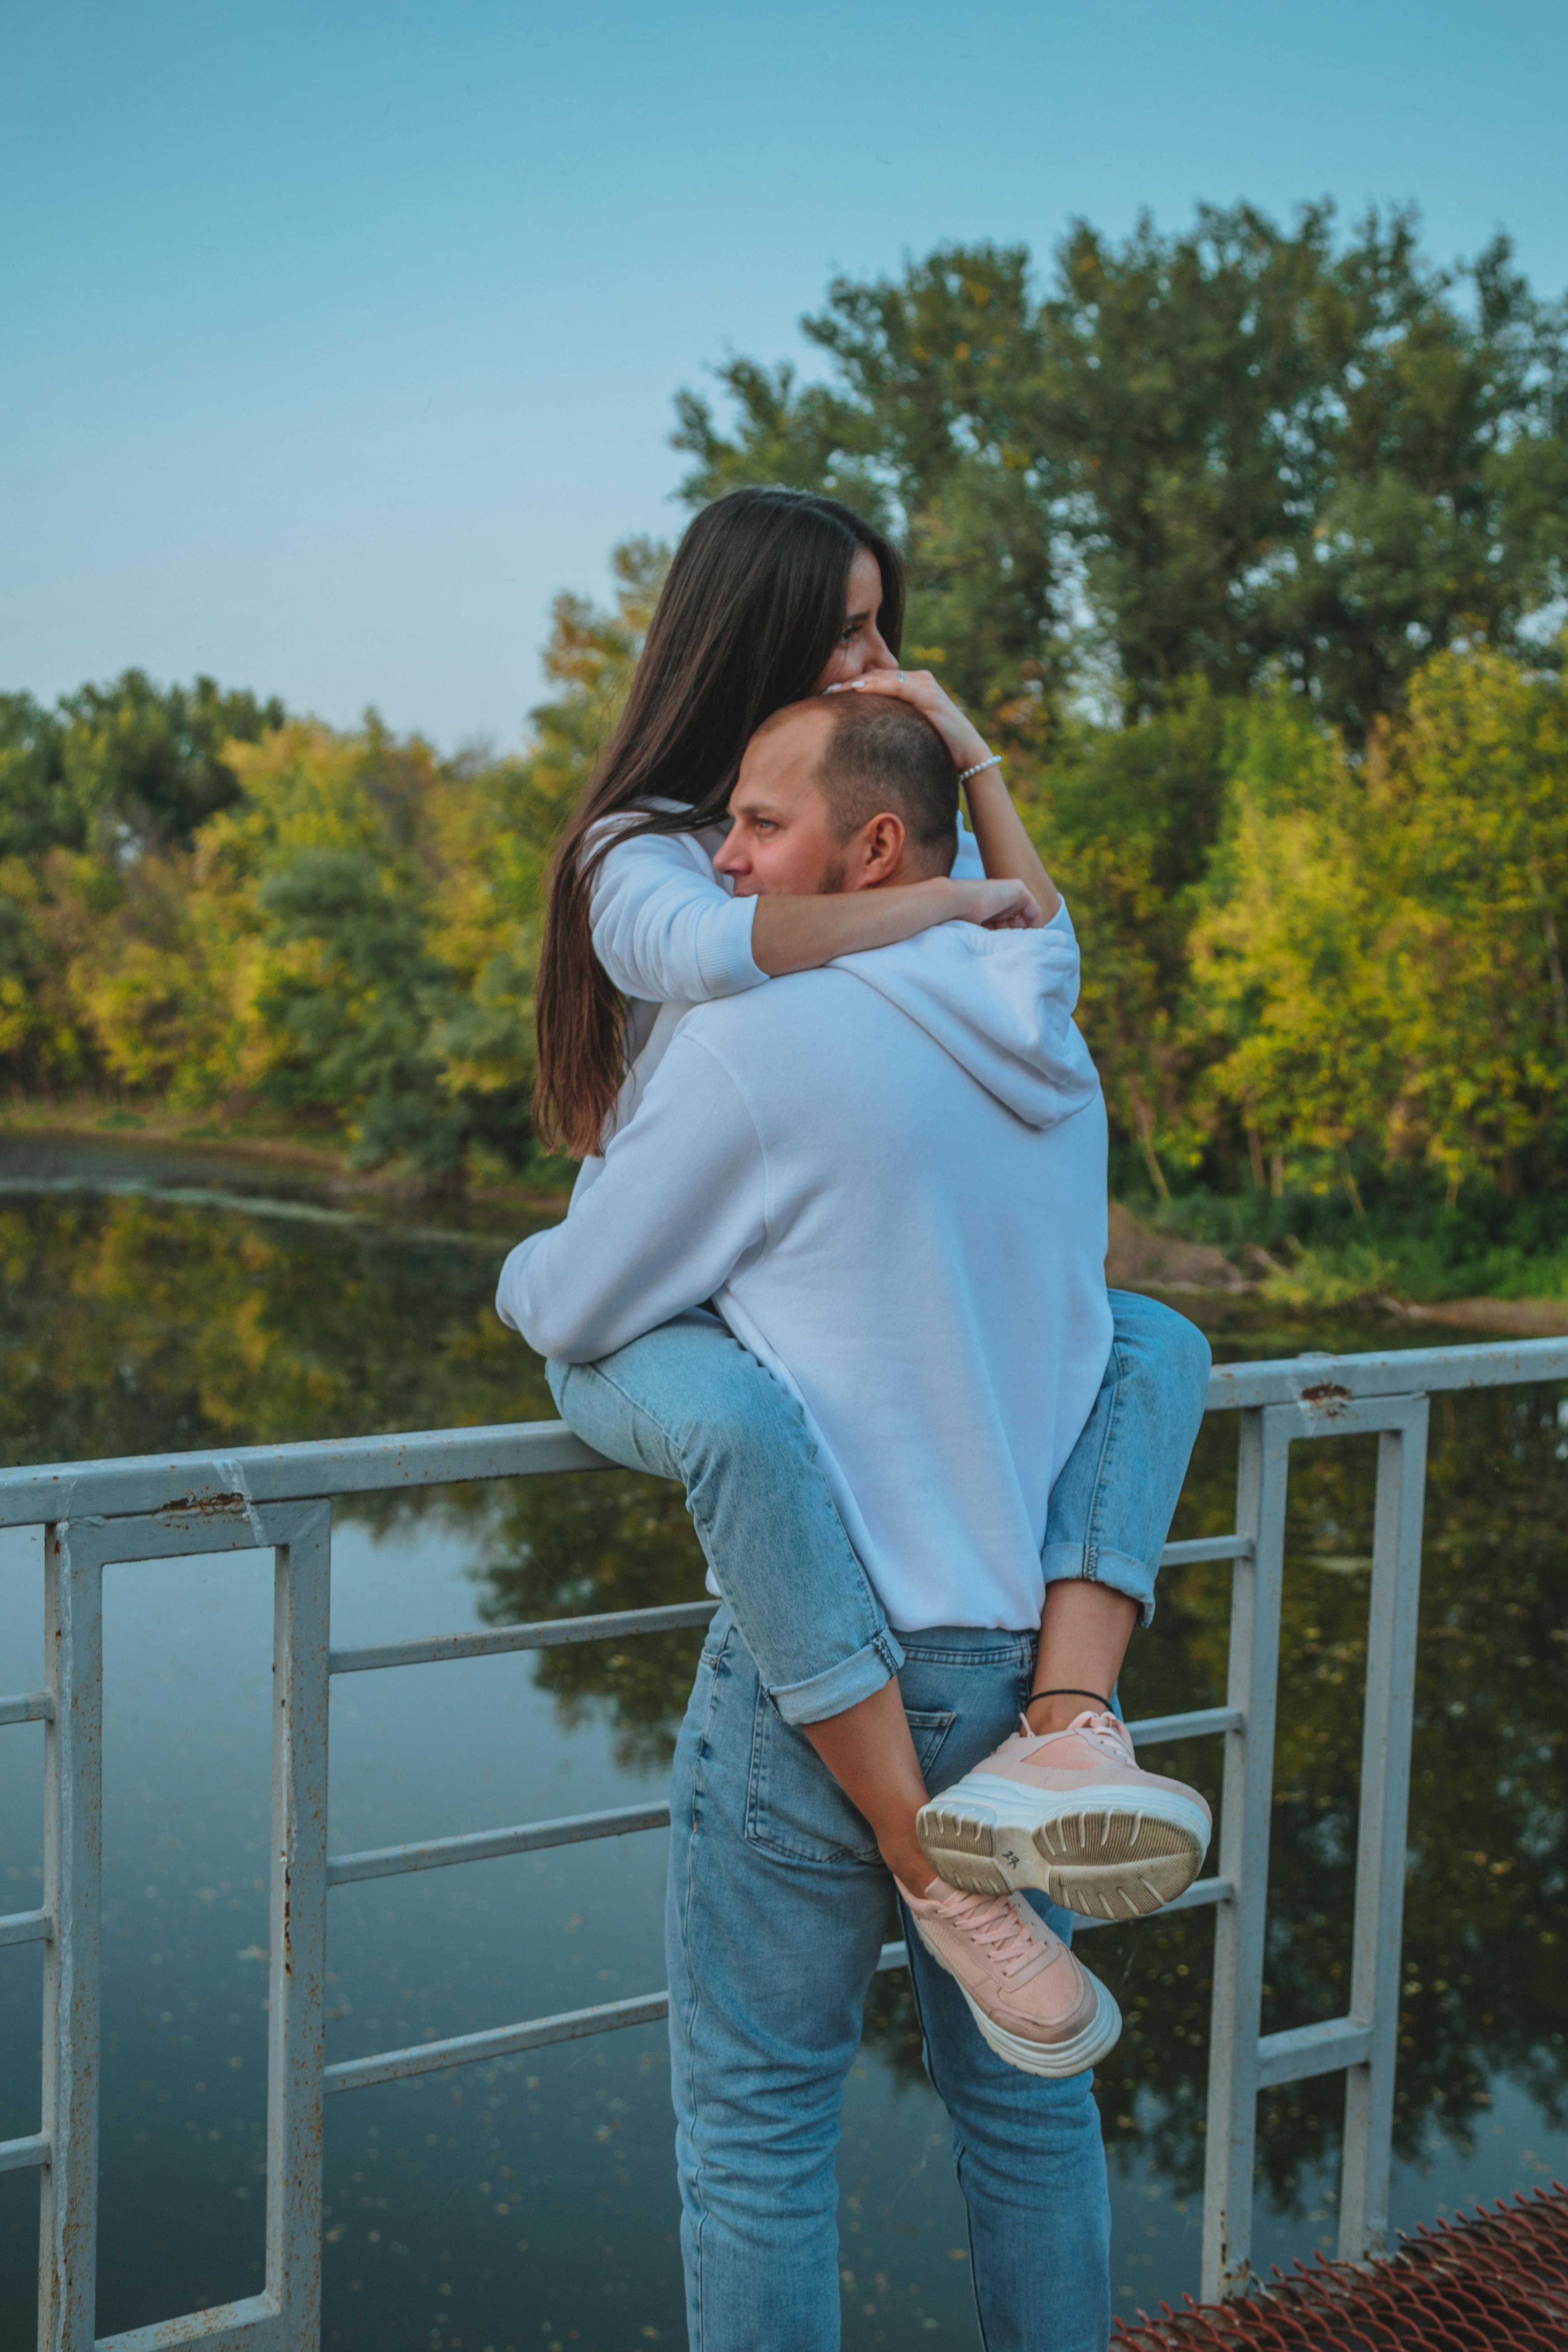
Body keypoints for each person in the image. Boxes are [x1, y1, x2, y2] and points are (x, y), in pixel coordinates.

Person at [499, 689, 1198, 2351]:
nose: (723, 864)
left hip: (826, 1678)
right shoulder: (1041, 1020)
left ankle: (938, 1835)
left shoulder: (762, 1040)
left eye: (754, 822)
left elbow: (578, 1302)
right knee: (1032, 2114)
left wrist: (548, 1239)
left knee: (759, 2137)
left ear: (874, 848)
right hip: (1011, 1660)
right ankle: (1081, 1728)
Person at [529, 484, 1211, 1924]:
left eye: (877, 624)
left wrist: (970, 764)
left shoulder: (855, 806)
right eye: (847, 630)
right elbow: (711, 950)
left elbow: (1043, 971)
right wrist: (942, 904)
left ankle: (1069, 1722)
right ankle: (928, 1850)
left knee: (1150, 1342)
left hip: (811, 1243)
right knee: (733, 1422)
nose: (874, 656)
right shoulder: (648, 844)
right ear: (760, 631)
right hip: (700, 1247)